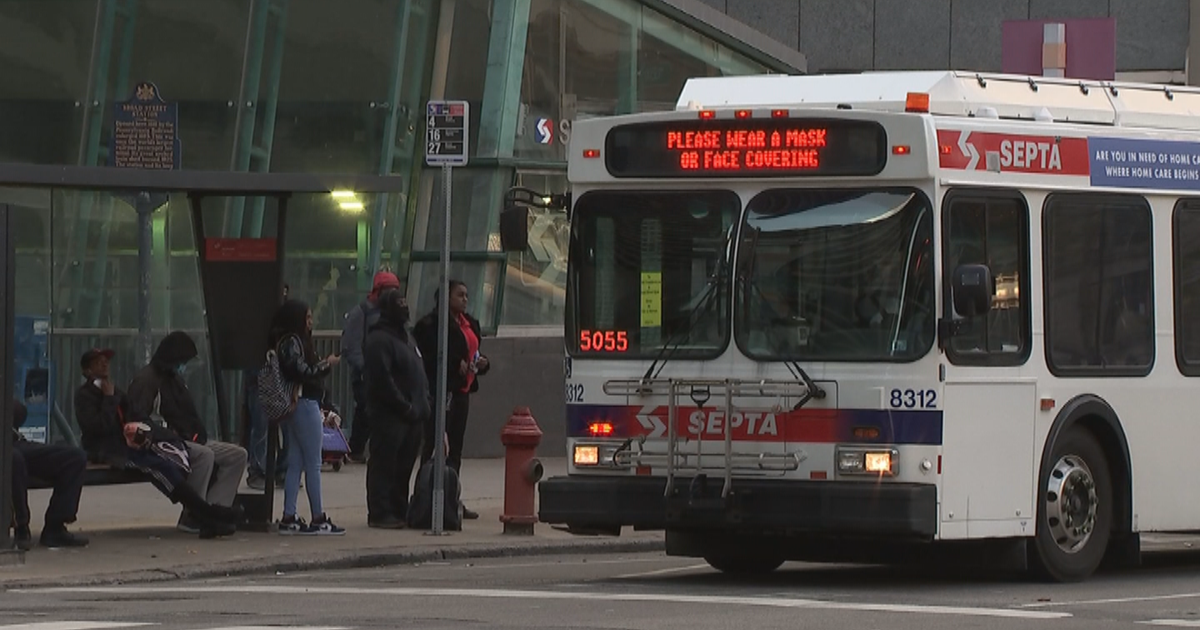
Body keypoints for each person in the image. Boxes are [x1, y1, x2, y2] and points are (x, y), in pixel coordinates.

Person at [74, 348, 240, 538]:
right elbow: (98, 427)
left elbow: (136, 414)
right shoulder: (85, 396)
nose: (104, 365)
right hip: (111, 450)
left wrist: (149, 433)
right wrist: (109, 398)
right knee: (159, 468)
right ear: (87, 370)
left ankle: (204, 513)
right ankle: (205, 513)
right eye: (98, 362)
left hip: (132, 443)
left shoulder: (115, 391)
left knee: (169, 462)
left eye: (106, 361)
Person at [127, 331, 249, 534]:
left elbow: (188, 416)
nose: (185, 366)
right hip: (166, 441)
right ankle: (194, 515)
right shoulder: (147, 380)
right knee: (204, 455)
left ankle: (217, 510)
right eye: (183, 361)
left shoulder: (175, 379)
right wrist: (171, 436)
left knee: (237, 456)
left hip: (188, 438)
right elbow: (139, 419)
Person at [412, 279, 490, 520]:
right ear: (446, 298)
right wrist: (454, 363)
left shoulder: (470, 324)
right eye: (460, 295)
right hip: (442, 389)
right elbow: (428, 355)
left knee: (455, 447)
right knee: (436, 444)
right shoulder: (431, 325)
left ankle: (451, 497)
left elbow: (474, 351)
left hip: (462, 391)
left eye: (467, 295)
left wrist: (481, 363)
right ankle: (426, 496)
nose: (465, 300)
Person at [270, 299, 345, 535]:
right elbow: (302, 371)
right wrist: (326, 364)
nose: (311, 322)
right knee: (313, 462)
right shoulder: (294, 342)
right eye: (308, 317)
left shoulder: (285, 342)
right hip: (304, 403)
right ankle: (318, 517)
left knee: (296, 462)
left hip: (295, 404)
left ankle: (289, 515)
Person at [363, 288, 430, 529]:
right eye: (398, 303)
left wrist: (423, 403)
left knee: (403, 467)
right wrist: (405, 406)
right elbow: (383, 380)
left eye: (405, 301)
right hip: (390, 416)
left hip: (413, 417)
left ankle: (398, 509)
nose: (404, 307)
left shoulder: (406, 337)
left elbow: (417, 371)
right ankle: (380, 512)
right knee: (385, 466)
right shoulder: (379, 339)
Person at [9, 399, 89, 550]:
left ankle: (55, 527)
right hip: (9, 451)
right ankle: (21, 525)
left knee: (74, 457)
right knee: (14, 459)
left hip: (13, 442)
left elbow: (19, 411)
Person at [340, 271, 402, 462]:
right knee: (366, 411)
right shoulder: (361, 312)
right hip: (366, 374)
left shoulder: (392, 314)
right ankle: (356, 448)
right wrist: (364, 369)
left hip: (387, 373)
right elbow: (351, 344)